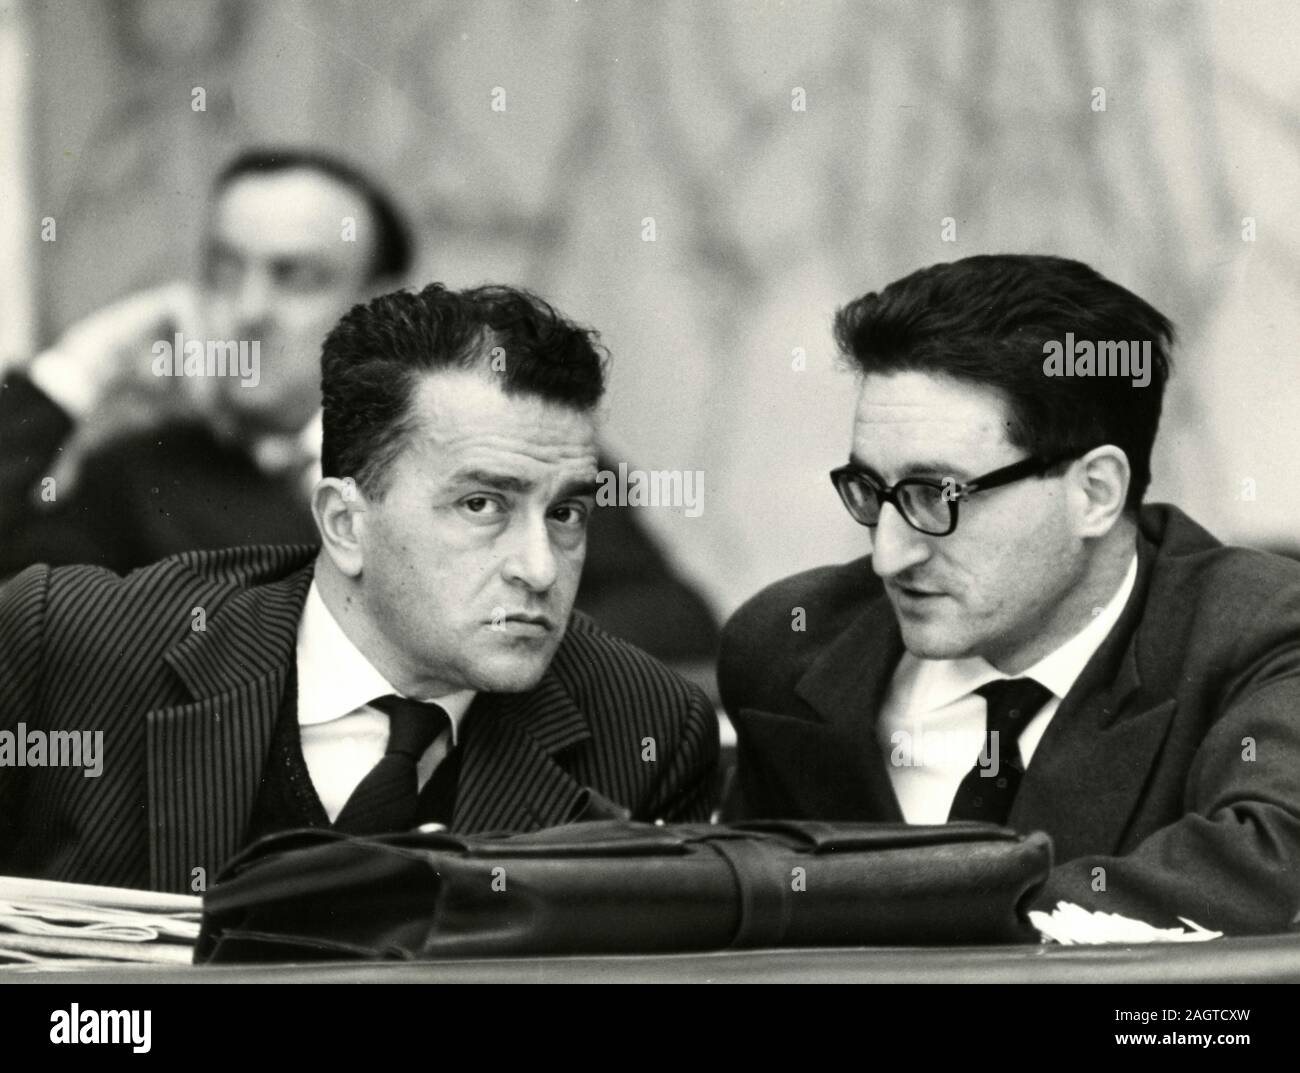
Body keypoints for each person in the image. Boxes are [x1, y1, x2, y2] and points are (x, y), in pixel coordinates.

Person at [0, 283, 719, 893]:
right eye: (482, 505)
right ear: (345, 524)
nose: (539, 566)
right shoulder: (70, 645)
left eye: (564, 512)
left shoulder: (649, 732)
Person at [719, 254, 1300, 935]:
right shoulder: (788, 649)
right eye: (871, 491)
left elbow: (1266, 862)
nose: (888, 553)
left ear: (1095, 492)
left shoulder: (1255, 631)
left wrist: (901, 918)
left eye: (936, 495)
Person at [0, 148, 719, 662]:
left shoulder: (503, 450)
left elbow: (675, 619)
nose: (247, 309)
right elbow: (24, 621)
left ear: (374, 304)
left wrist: (459, 648)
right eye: (223, 271)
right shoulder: (141, 473)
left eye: (295, 277)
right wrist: (80, 365)